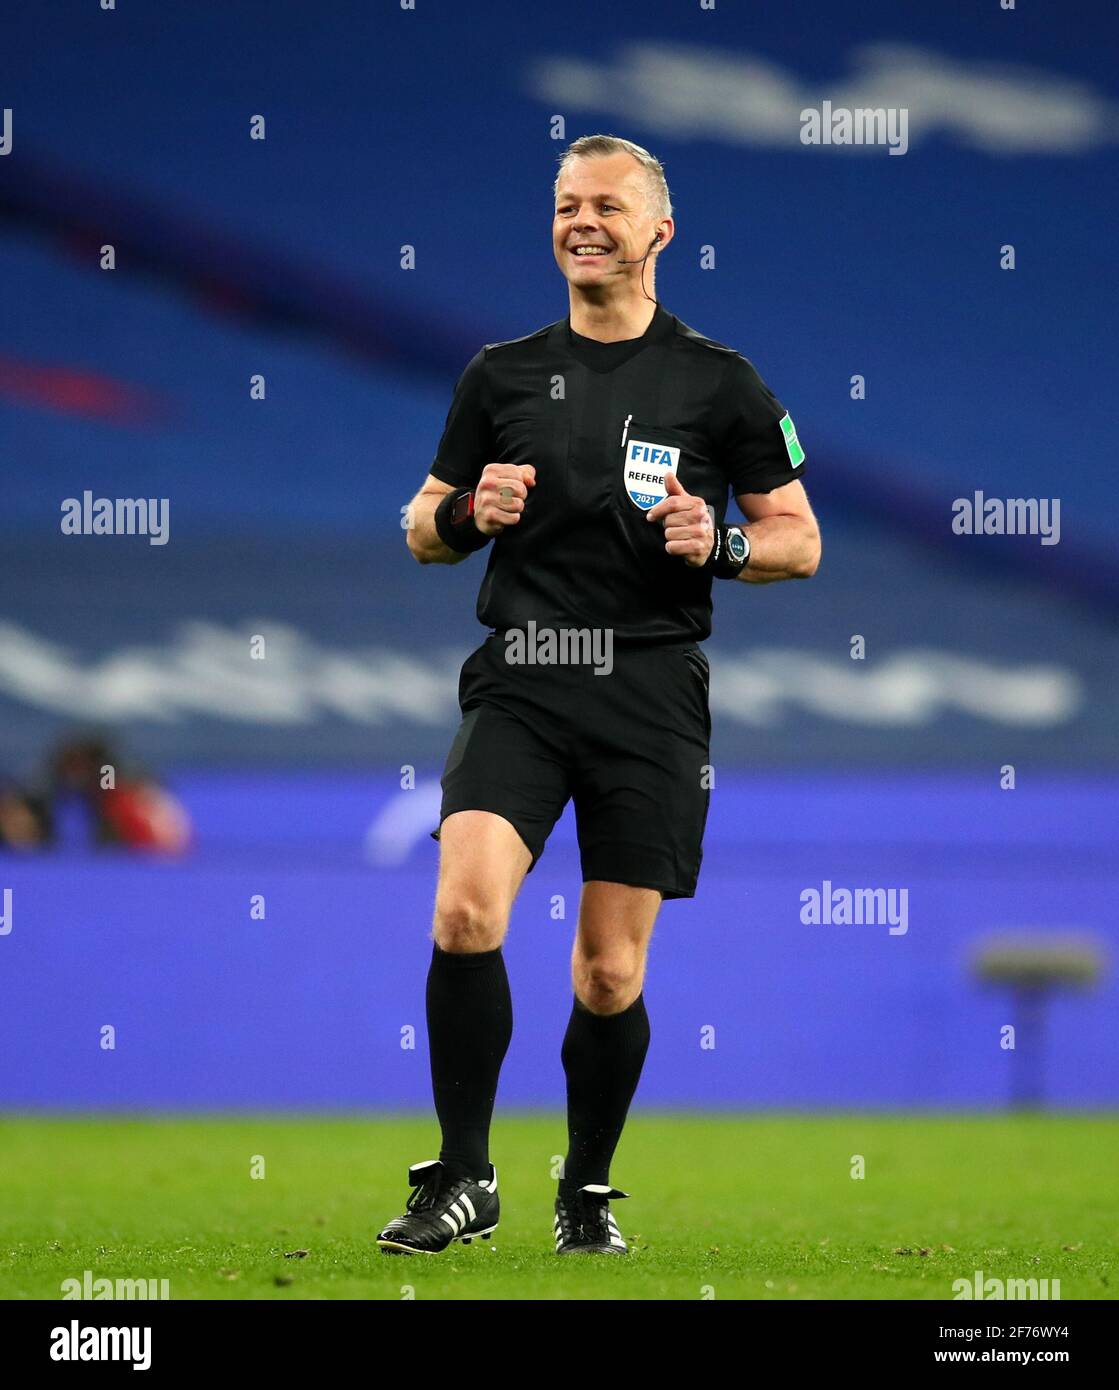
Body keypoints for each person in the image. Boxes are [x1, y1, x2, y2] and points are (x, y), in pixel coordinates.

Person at [378, 134, 820, 1256]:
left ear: (659, 232)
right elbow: (422, 529)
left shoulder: (721, 382)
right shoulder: (500, 374)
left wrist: (720, 540)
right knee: (466, 908)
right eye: (568, 203)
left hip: (649, 694)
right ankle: (464, 1175)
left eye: (608, 207)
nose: (584, 222)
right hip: (523, 679)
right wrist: (470, 511)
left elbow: (798, 539)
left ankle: (585, 1189)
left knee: (609, 972)